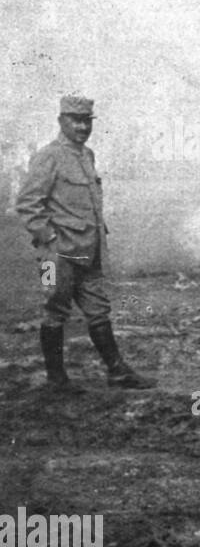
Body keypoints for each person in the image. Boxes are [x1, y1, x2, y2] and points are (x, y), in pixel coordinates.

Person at [15, 95, 155, 392]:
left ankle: (117, 372)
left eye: (86, 122)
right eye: (75, 121)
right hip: (57, 256)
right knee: (55, 309)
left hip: (87, 252)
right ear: (61, 121)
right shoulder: (48, 156)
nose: (81, 127)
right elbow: (28, 204)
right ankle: (57, 380)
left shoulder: (86, 155)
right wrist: (49, 239)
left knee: (98, 310)